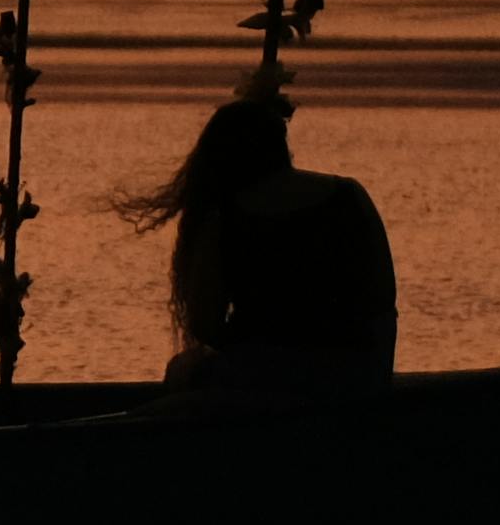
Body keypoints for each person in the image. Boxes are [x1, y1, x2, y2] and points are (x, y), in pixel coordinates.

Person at [132, 86, 397, 393]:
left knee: (182, 369)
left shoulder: (225, 215)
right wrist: (375, 376)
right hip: (352, 372)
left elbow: (206, 322)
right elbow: (382, 300)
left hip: (260, 376)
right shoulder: (350, 194)